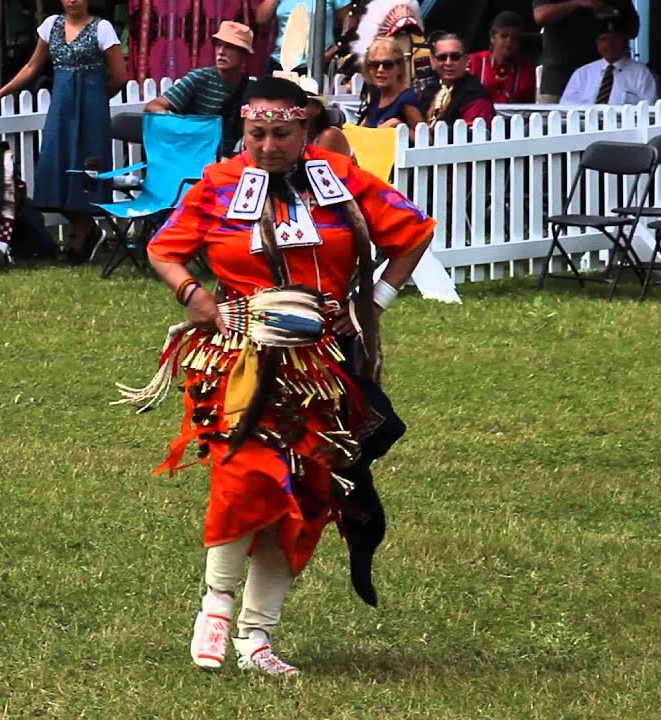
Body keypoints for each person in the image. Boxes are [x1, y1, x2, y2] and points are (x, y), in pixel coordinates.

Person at [132, 76, 434, 676]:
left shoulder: (339, 179)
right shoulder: (218, 185)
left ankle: (258, 636)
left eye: (282, 134)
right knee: (247, 479)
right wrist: (191, 292)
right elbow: (163, 248)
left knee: (305, 496)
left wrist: (372, 301)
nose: (267, 146)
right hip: (239, 360)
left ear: (306, 130)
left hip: (322, 369)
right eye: (255, 134)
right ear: (241, 130)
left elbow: (413, 232)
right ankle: (216, 608)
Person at [0, 0, 128, 265]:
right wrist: (1, 93)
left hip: (91, 110)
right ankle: (88, 230)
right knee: (55, 168)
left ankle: (81, 239)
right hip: (61, 109)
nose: (73, 0)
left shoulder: (102, 29)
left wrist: (96, 99)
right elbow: (32, 67)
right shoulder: (50, 26)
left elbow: (119, 76)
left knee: (86, 170)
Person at [144, 21, 255, 158]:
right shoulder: (200, 78)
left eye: (230, 47)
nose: (221, 52)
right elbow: (153, 106)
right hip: (190, 155)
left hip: (225, 159)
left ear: (244, 54)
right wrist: (186, 127)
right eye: (218, 45)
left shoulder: (250, 89)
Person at [532, 0, 638, 103]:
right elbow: (541, 15)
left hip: (606, 74)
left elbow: (633, 29)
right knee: (553, 118)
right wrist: (578, 3)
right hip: (560, 74)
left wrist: (612, 15)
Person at [560, 18, 657, 105]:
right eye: (604, 39)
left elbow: (648, 108)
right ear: (597, 44)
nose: (610, 44)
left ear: (625, 41)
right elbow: (567, 107)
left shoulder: (641, 73)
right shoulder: (583, 74)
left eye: (616, 38)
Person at [419, 33, 497, 128]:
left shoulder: (475, 95)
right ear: (433, 60)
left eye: (455, 57)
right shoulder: (429, 90)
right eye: (442, 57)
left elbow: (472, 134)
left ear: (466, 59)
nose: (448, 63)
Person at [256, 0, 352, 73]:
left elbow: (350, 24)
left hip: (320, 63)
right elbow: (261, 19)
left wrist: (334, 50)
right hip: (281, 61)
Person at [468, 11, 537, 104]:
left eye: (514, 38)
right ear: (492, 37)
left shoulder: (527, 71)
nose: (509, 41)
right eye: (504, 36)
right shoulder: (473, 62)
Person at [356, 37, 423, 129]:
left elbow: (426, 139)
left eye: (387, 65)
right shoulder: (376, 95)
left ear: (399, 67)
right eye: (375, 65)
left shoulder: (406, 100)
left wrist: (399, 126)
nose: (380, 70)